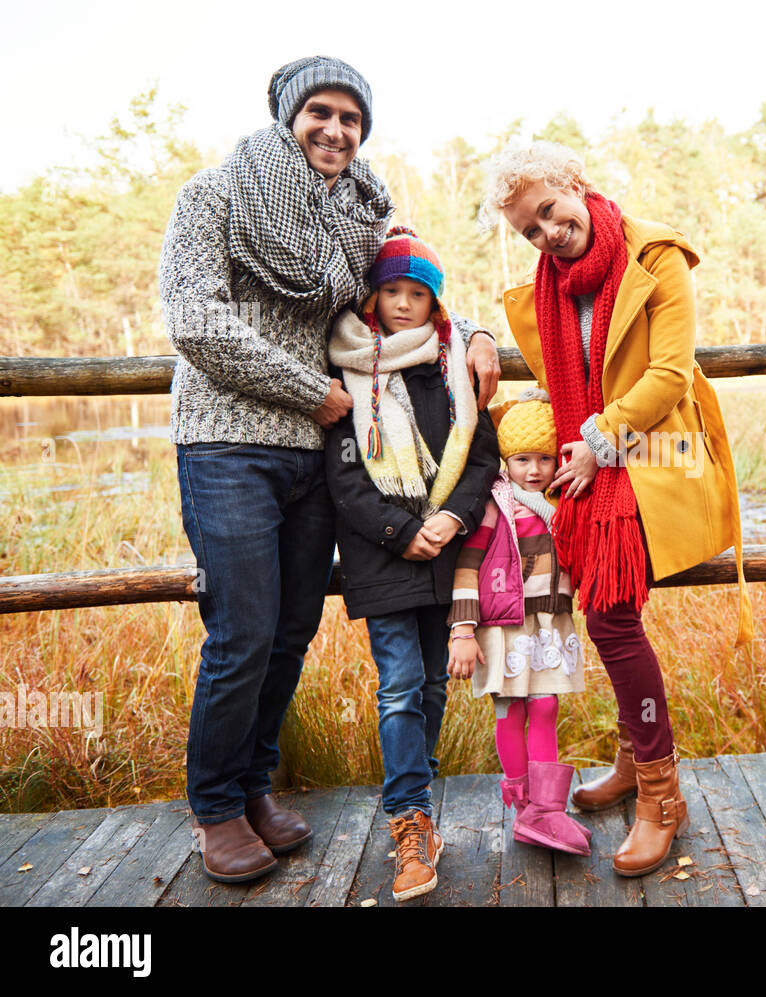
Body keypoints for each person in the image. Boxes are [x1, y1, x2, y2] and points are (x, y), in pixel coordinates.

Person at [159, 55, 501, 884]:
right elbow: (195, 320)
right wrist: (310, 388)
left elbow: (412, 280)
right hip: (229, 441)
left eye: (351, 118)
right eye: (320, 111)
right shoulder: (216, 195)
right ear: (287, 115)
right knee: (241, 631)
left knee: (289, 632)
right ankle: (214, 806)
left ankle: (253, 785)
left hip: (319, 454)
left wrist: (479, 329)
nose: (335, 129)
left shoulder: (361, 215)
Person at [480, 141, 754, 877]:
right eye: (529, 231)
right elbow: (570, 375)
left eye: (548, 211)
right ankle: (636, 760)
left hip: (653, 455)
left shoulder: (655, 257)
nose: (546, 234)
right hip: (590, 464)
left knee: (607, 618)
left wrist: (598, 440)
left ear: (575, 183)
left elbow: (668, 373)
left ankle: (662, 794)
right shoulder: (548, 284)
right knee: (607, 617)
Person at [324, 227, 499, 901]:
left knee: (432, 687)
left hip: (446, 555)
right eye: (392, 290)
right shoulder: (349, 367)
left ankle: (420, 810)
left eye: (417, 293)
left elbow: (481, 454)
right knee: (398, 684)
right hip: (382, 552)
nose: (403, 303)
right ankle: (408, 821)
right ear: (374, 296)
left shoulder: (452, 367)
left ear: (435, 304)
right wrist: (401, 530)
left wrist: (451, 519)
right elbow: (345, 475)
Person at [446, 389, 591, 857]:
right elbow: (468, 565)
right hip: (504, 625)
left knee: (546, 705)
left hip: (548, 623)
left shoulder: (563, 504)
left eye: (545, 459)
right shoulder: (496, 506)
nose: (534, 470)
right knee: (510, 707)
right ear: (506, 460)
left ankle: (549, 810)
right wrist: (463, 629)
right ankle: (524, 805)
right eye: (523, 459)